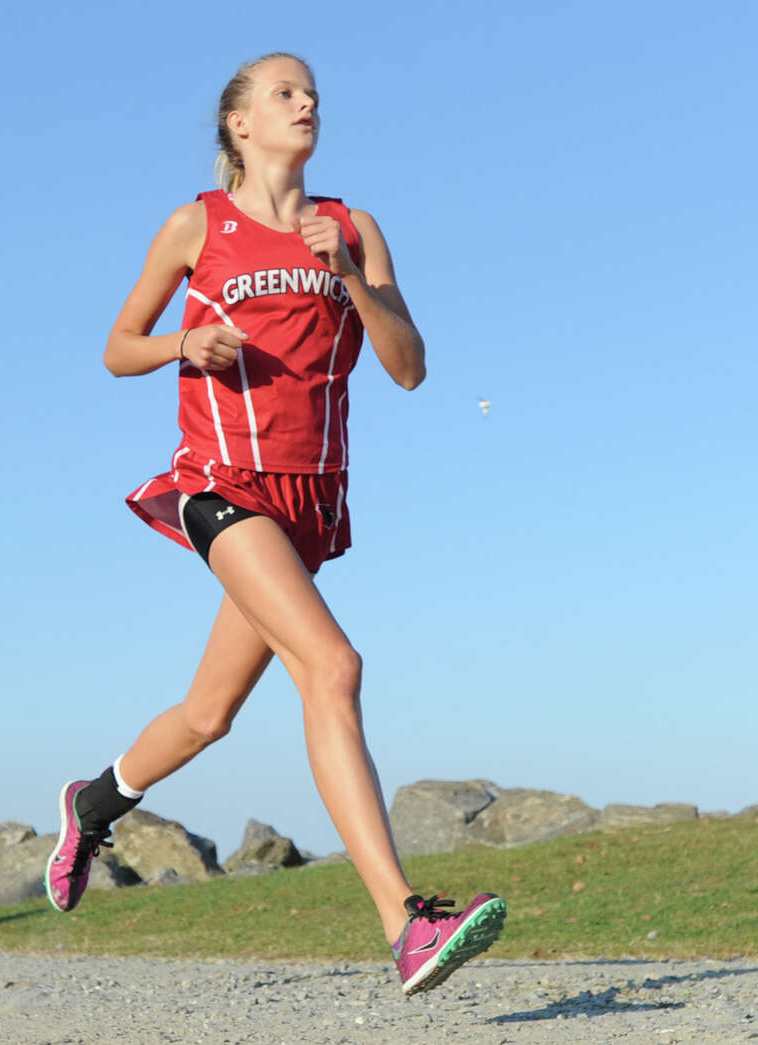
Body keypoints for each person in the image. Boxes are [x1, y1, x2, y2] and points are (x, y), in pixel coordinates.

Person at [45, 52, 506, 996]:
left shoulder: (353, 227)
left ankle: (91, 804)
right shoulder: (197, 225)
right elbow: (117, 348)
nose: (307, 102)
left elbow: (410, 367)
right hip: (220, 483)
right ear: (240, 124)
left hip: (309, 505)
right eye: (285, 92)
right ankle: (407, 922)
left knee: (208, 715)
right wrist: (184, 341)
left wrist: (354, 280)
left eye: (312, 93)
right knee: (334, 667)